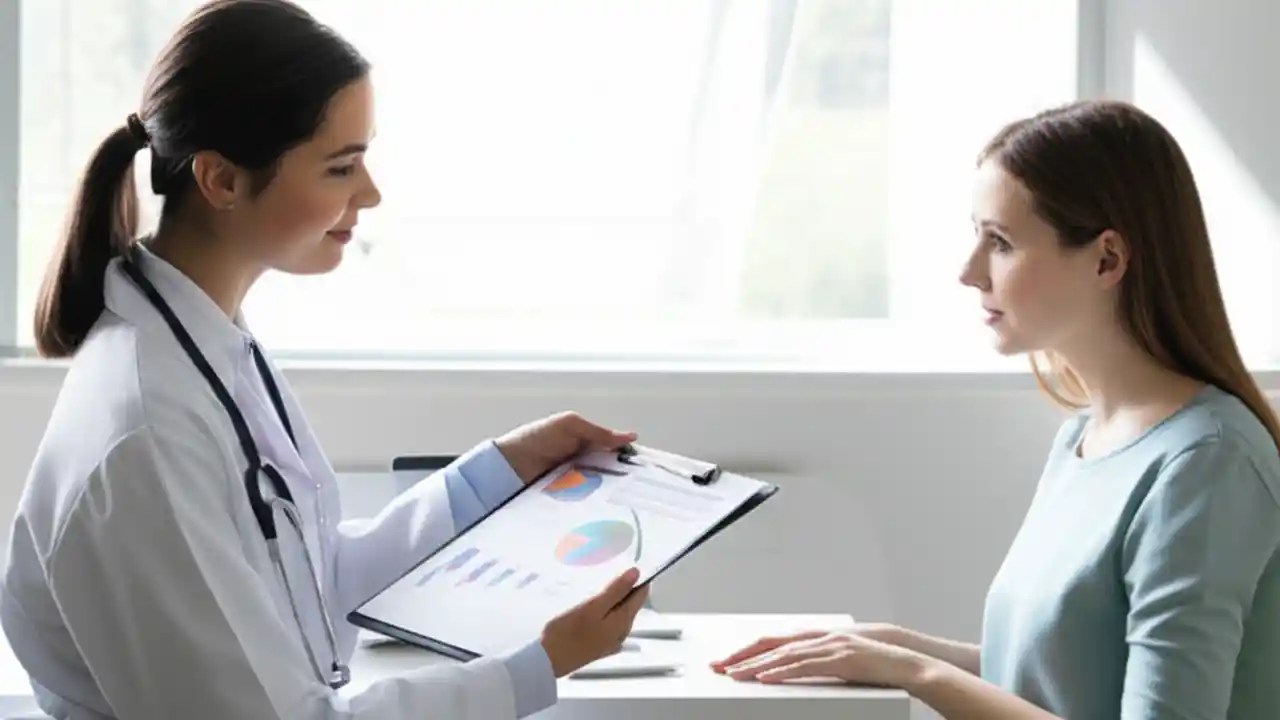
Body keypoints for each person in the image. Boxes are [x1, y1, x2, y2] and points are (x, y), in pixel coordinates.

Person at [0, 1, 648, 718]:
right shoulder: (150, 427)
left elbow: (305, 595)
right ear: (221, 181)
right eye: (341, 167)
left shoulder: (207, 352)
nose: (369, 194)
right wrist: (538, 667)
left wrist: (494, 475)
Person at [711, 100, 1280, 719]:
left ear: (1107, 259)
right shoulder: (1085, 438)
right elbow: (1066, 675)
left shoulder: (1208, 465)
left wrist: (918, 673)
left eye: (1001, 242)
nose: (969, 271)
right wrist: (892, 647)